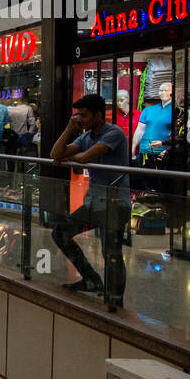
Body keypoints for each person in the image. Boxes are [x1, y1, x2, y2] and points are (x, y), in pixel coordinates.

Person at [49, 94, 130, 305]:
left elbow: (86, 157)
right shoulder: (85, 137)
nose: (80, 119)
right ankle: (91, 279)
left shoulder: (114, 133)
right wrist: (69, 128)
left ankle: (115, 299)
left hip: (115, 204)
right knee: (61, 232)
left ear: (99, 115)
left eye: (84, 115)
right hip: (94, 203)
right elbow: (55, 154)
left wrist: (70, 157)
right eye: (78, 115)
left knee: (111, 251)